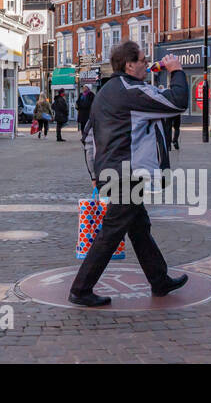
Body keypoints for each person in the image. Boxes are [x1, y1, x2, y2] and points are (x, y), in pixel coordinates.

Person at [69, 44, 189, 308]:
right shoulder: (132, 91)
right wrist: (177, 71)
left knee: (139, 228)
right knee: (112, 232)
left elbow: (88, 137)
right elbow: (177, 102)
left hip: (112, 173)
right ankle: (80, 289)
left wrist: (94, 173)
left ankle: (159, 280)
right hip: (127, 174)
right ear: (128, 65)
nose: (147, 64)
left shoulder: (104, 93)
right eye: (143, 61)